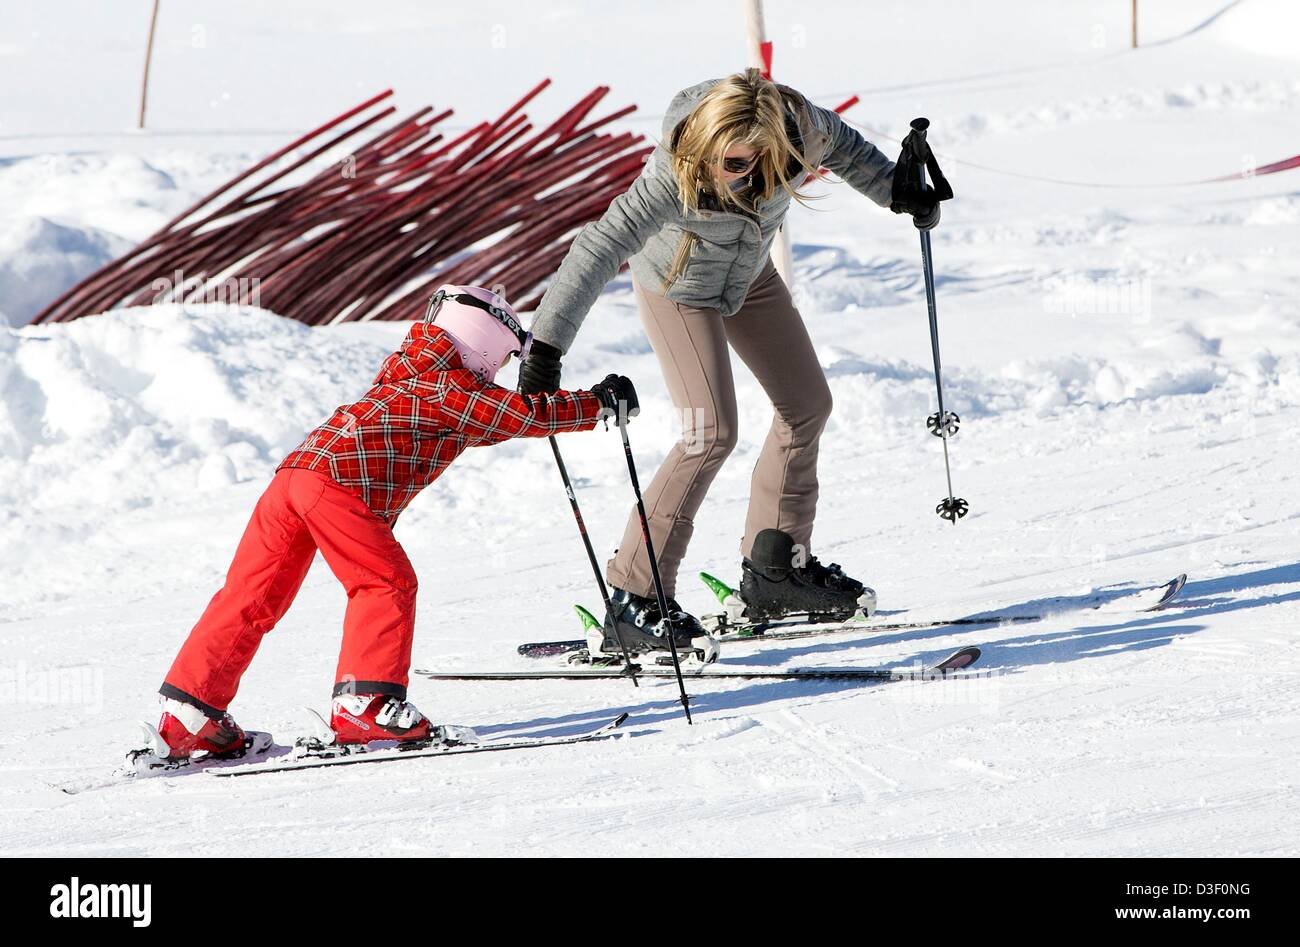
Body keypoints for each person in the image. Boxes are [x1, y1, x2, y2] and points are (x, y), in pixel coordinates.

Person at [516, 69, 941, 646]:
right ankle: (635, 599)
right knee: (708, 431)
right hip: (677, 284)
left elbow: (847, 149)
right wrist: (546, 346)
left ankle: (775, 569)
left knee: (807, 404)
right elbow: (599, 244)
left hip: (748, 276)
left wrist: (898, 190)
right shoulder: (672, 173)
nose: (743, 176)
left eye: (755, 163)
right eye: (731, 164)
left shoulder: (803, 128)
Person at [153, 285, 638, 760]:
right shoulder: (451, 387)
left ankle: (189, 713)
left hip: (294, 476)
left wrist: (556, 411)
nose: (501, 369)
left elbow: (490, 420)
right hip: (338, 485)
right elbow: (515, 415)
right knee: (386, 582)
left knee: (251, 595)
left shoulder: (408, 375)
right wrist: (596, 404)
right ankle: (367, 704)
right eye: (505, 356)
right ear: (486, 344)